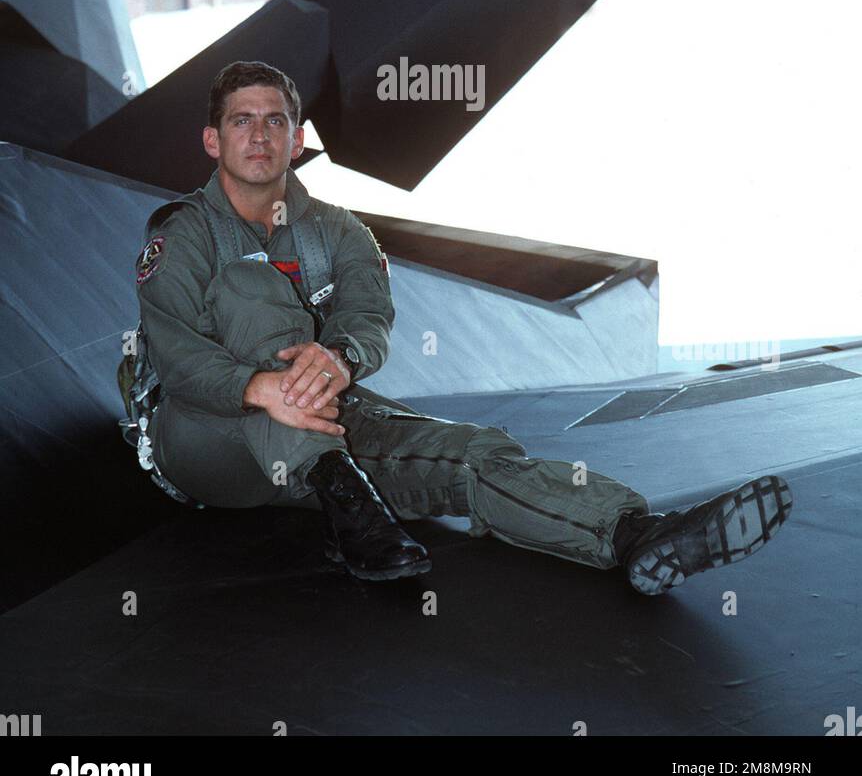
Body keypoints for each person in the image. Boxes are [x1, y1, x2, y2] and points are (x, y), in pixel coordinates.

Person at [135, 60, 793, 594]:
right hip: (201, 439)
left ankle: (635, 538)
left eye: (274, 120)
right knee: (254, 298)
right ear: (213, 140)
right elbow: (177, 361)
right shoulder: (183, 232)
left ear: (297, 138)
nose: (259, 136)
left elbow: (368, 316)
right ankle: (339, 486)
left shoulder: (340, 232)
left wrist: (341, 357)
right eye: (241, 121)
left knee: (475, 451)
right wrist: (260, 388)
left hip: (310, 441)